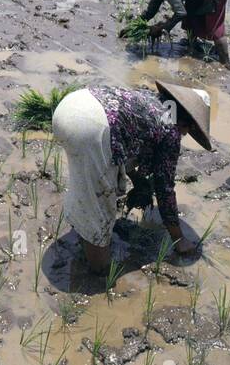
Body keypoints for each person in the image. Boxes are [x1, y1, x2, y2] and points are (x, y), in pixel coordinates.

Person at [51, 80, 213, 273]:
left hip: (70, 106)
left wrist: (137, 179)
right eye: (189, 129)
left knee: (85, 185)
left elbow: (124, 140)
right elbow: (165, 188)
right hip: (92, 128)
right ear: (186, 121)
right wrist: (179, 239)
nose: (185, 134)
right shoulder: (171, 128)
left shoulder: (148, 100)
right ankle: (99, 273)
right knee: (99, 208)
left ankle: (82, 233)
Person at [125, 0, 230, 68]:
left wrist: (162, 28)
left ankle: (226, 62)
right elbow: (150, 11)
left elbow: (180, 13)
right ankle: (193, 45)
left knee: (212, 20)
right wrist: (130, 28)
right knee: (192, 11)